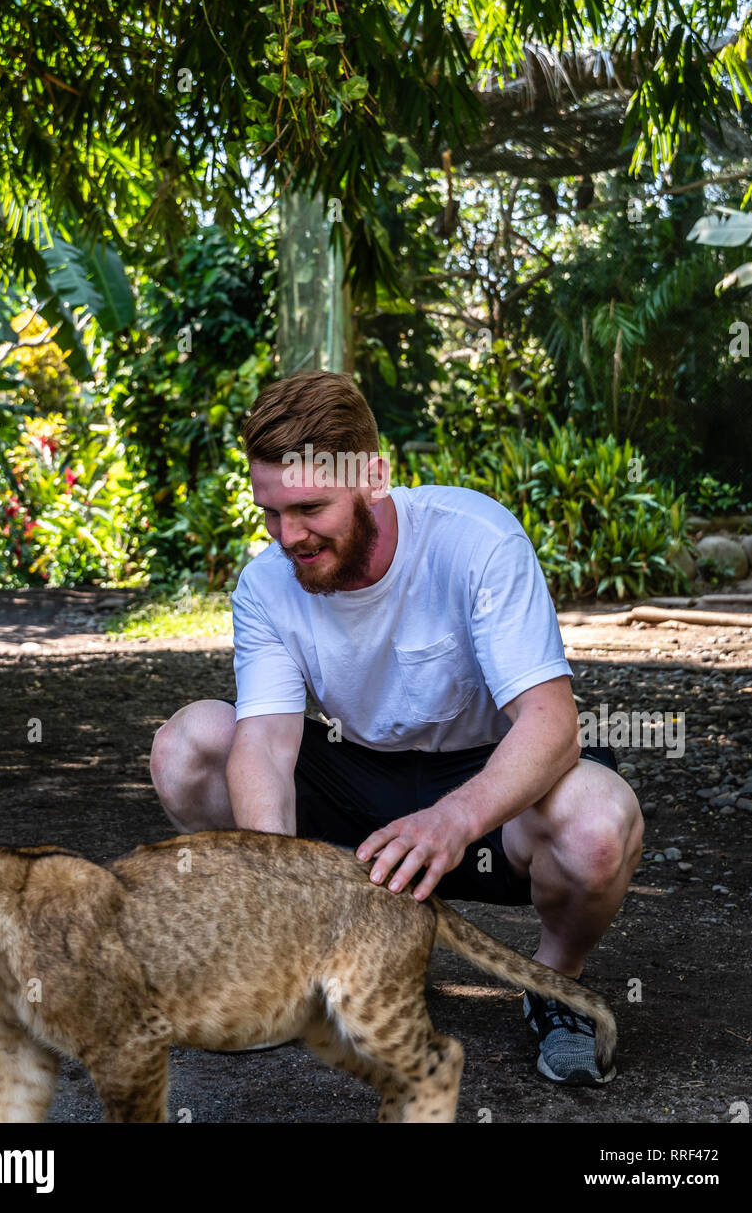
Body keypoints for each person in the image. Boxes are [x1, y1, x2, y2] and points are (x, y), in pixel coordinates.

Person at [151, 369, 643, 1085]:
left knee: (599, 821)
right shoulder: (267, 584)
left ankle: (551, 984)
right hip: (358, 781)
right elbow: (263, 741)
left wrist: (451, 821)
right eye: (270, 512)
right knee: (191, 740)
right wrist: (274, 891)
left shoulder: (475, 540)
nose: (288, 536)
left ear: (374, 478)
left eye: (311, 507)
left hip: (489, 789)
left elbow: (552, 723)